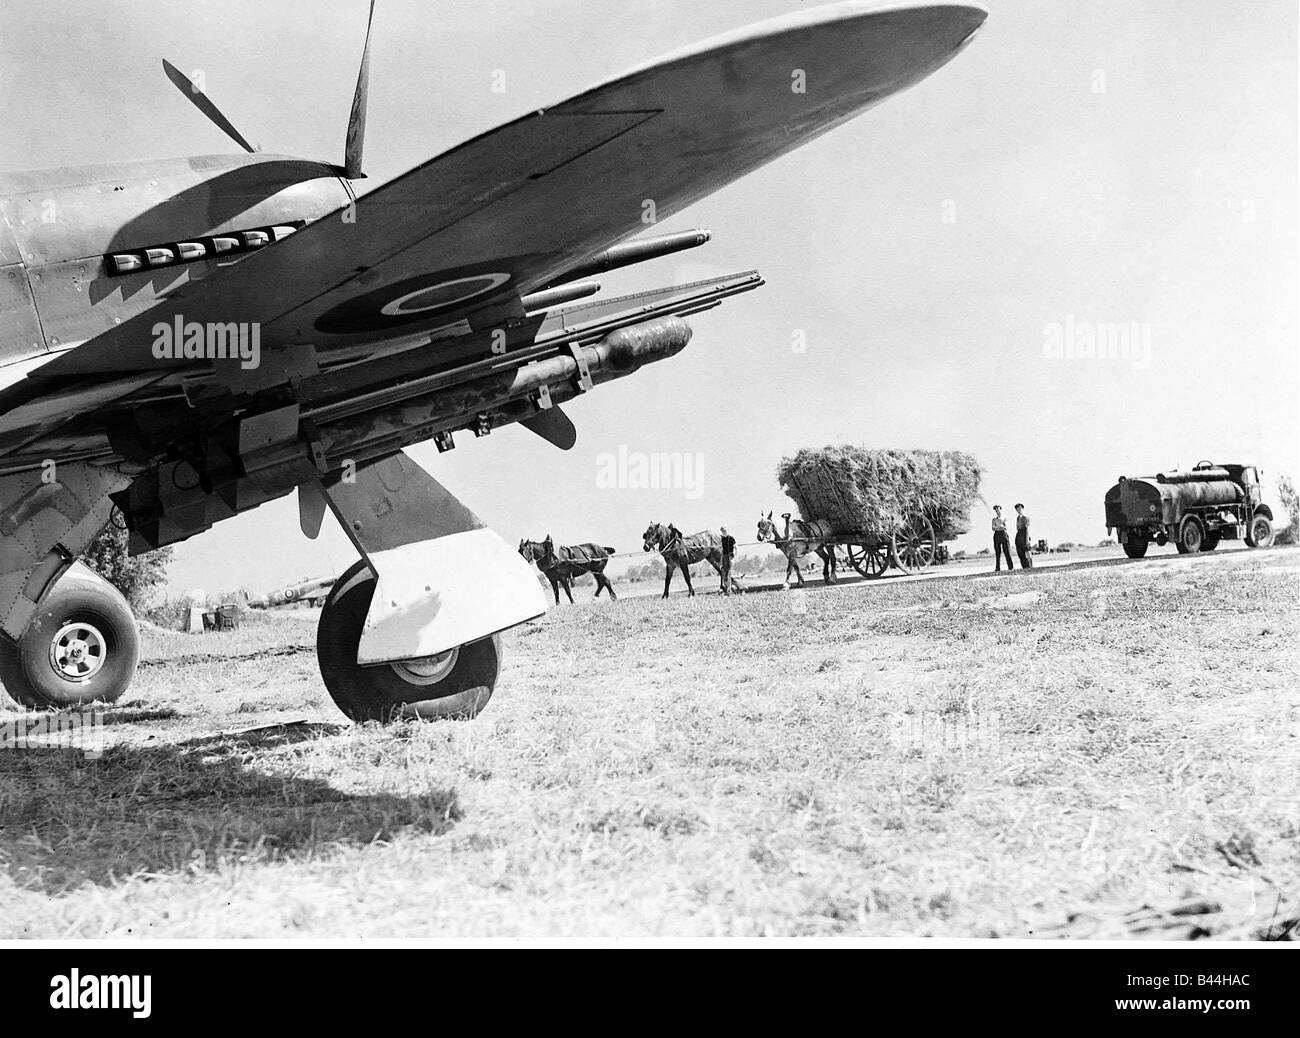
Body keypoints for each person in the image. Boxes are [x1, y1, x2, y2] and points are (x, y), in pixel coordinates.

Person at [991, 505, 1014, 571]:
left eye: (998, 509)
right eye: (996, 510)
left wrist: (998, 527)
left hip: (1003, 534)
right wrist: (999, 527)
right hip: (996, 535)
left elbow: (1005, 527)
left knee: (1007, 551)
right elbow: (993, 528)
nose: (997, 511)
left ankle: (1010, 567)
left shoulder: (1004, 518)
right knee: (997, 552)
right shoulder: (994, 519)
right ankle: (997, 567)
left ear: (1001, 510)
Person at [1014, 503, 1033, 569]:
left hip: (1024, 533)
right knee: (1020, 553)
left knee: (1027, 552)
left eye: (1020, 508)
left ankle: (1030, 567)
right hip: (1019, 534)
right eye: (1017, 509)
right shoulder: (1018, 518)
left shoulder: (1025, 517)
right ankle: (1024, 567)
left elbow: (1027, 528)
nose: (1019, 510)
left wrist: (1027, 539)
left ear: (1022, 509)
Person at [719, 526, 736, 595]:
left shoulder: (731, 538)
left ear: (726, 530)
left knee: (728, 572)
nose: (723, 531)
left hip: (730, 555)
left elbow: (736, 548)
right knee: (724, 572)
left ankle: (728, 590)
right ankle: (725, 588)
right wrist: (721, 561)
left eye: (724, 530)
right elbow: (722, 550)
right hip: (724, 555)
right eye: (722, 531)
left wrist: (733, 558)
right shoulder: (722, 539)